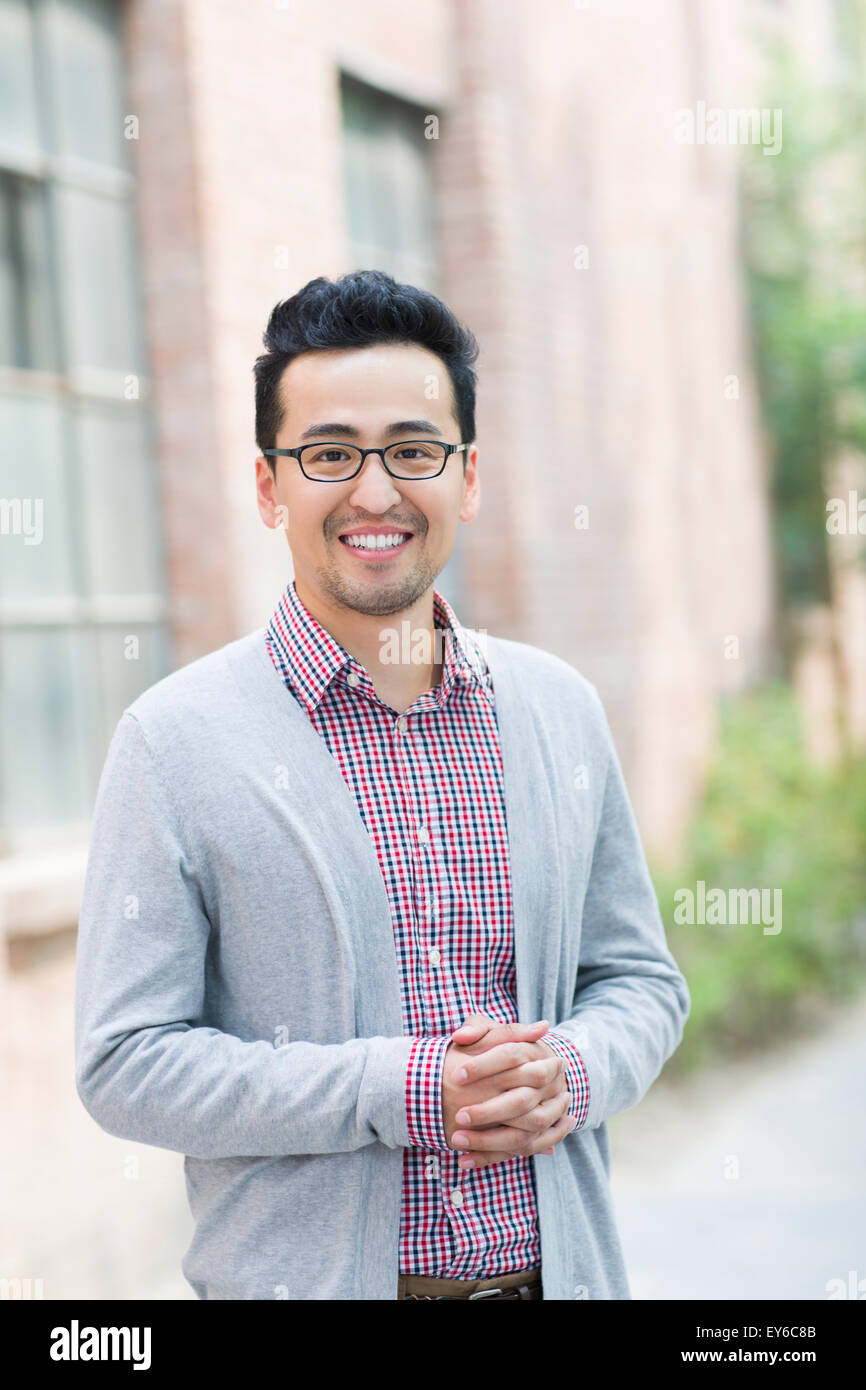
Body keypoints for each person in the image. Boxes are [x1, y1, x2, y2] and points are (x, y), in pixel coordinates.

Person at [74, 269, 690, 1301]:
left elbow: (639, 981)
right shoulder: (172, 743)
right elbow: (125, 1061)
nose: (373, 491)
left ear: (467, 477)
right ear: (269, 486)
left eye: (411, 450)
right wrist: (397, 1088)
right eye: (328, 454)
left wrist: (570, 1071)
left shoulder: (557, 711)